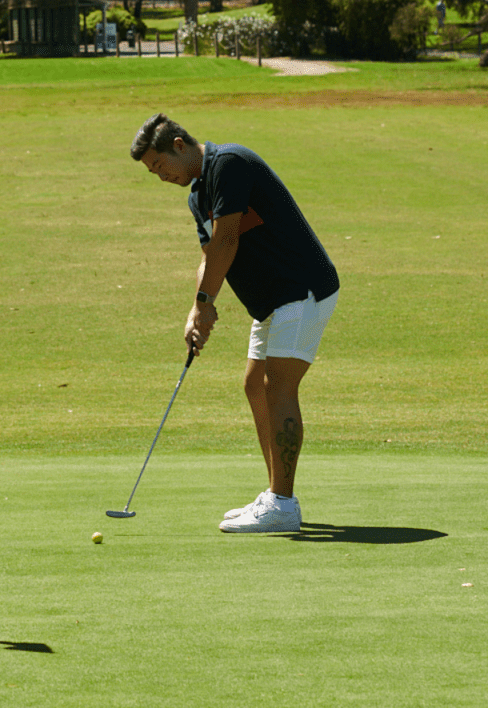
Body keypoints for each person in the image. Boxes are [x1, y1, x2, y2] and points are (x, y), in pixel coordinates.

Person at [128, 113, 339, 534]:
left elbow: (228, 238)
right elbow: (209, 253)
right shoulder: (197, 195)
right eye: (153, 171)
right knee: (253, 384)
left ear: (180, 145)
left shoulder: (229, 165)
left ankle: (283, 504)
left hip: (300, 289)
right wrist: (196, 308)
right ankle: (276, 493)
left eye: (159, 165)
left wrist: (207, 303)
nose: (160, 176)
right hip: (273, 302)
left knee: (277, 385)